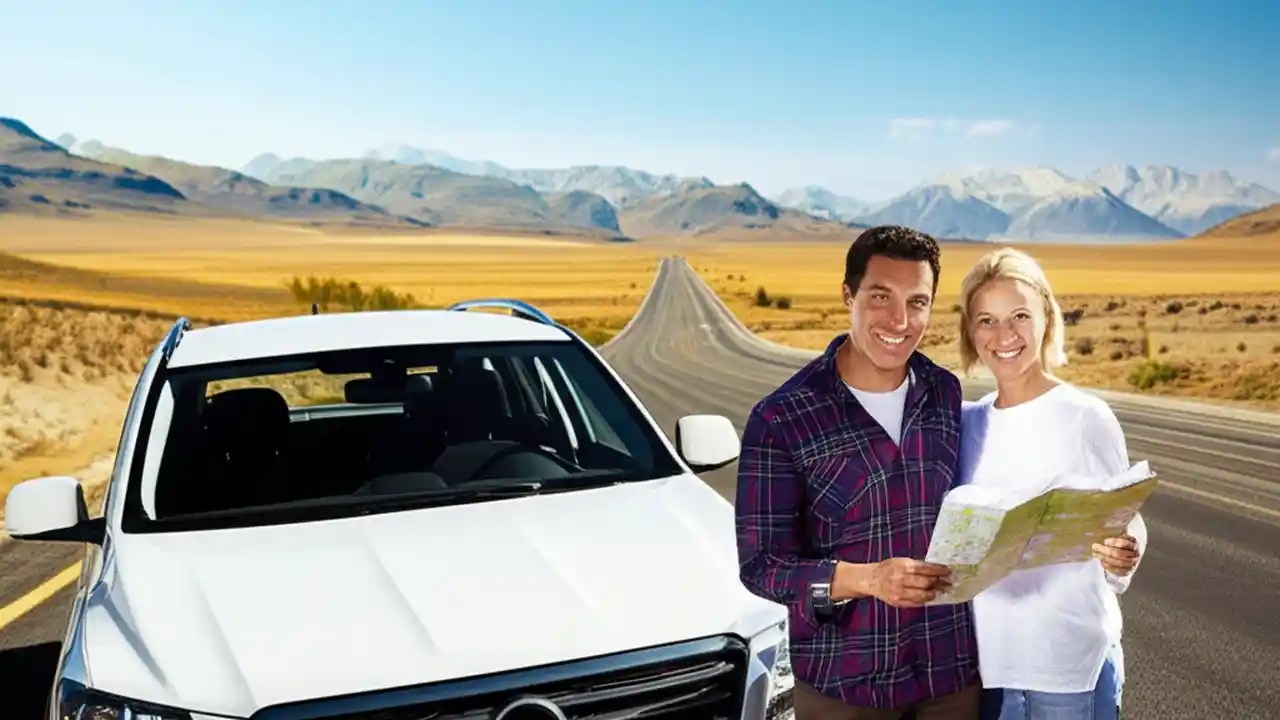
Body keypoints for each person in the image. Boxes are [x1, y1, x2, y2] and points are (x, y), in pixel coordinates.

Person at [735, 225, 981, 719]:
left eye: (918, 301)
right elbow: (762, 565)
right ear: (848, 295)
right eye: (881, 296)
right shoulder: (781, 418)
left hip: (949, 677)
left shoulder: (944, 393)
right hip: (844, 688)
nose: (900, 319)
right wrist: (869, 579)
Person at [954, 246, 1145, 720]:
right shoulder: (963, 424)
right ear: (970, 332)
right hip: (988, 668)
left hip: (1070, 665)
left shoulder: (1084, 417)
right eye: (987, 320)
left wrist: (1124, 549)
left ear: (1046, 317)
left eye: (1019, 315)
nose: (1005, 335)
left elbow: (1126, 516)